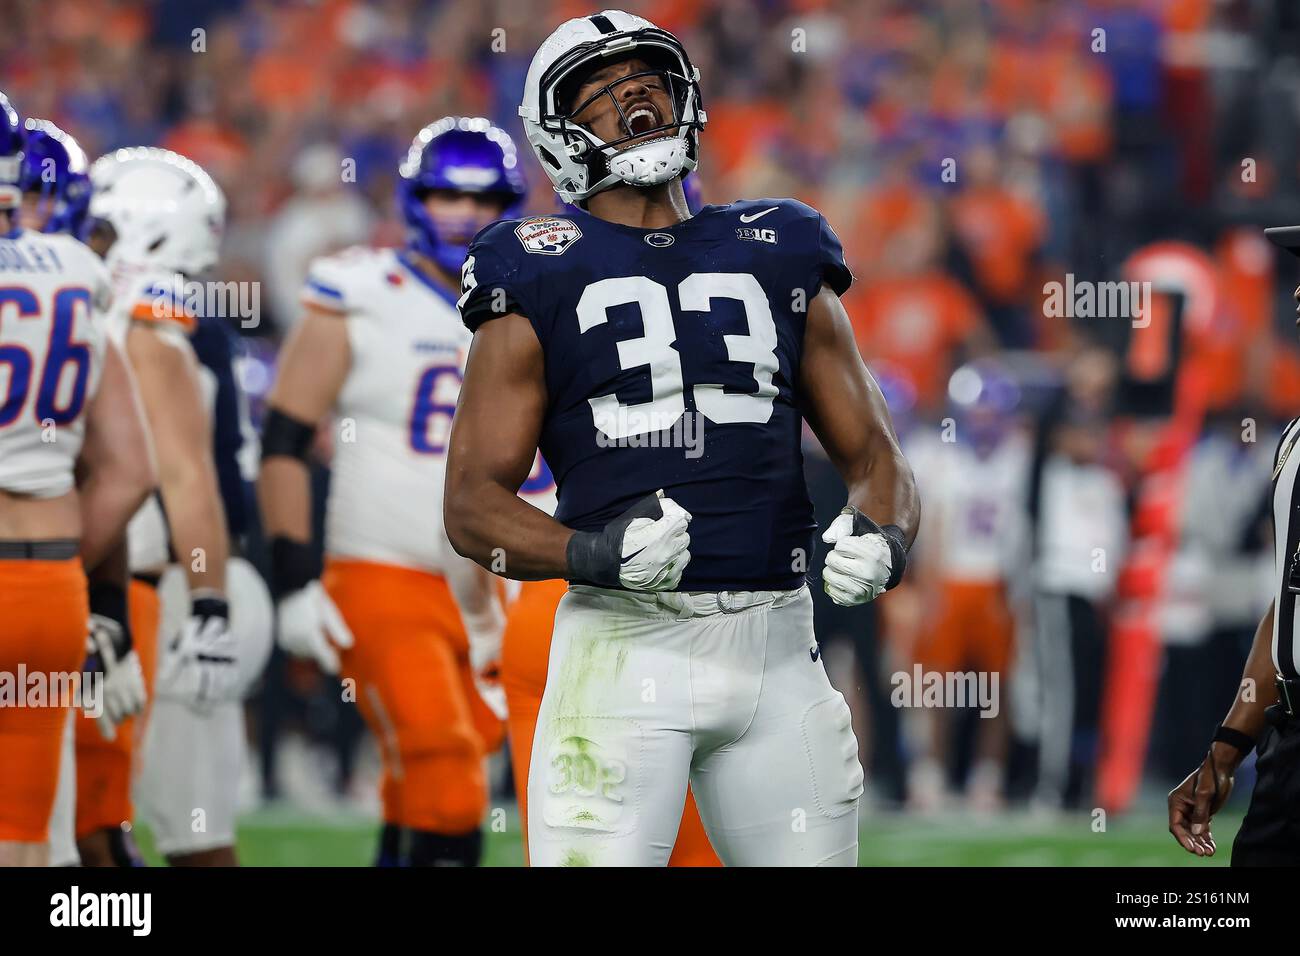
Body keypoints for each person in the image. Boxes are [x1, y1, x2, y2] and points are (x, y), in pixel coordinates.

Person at [447, 10, 919, 866]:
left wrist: (883, 535)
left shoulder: (779, 243)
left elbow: (877, 454)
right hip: (624, 648)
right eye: (599, 90)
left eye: (650, 79)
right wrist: (592, 553)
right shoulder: (536, 260)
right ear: (556, 133)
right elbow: (471, 506)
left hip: (780, 651)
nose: (634, 97)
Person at [258, 118, 519, 866]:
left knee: (445, 767)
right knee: (444, 766)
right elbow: (282, 440)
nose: (464, 215)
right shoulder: (359, 287)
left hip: (490, 582)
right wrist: (293, 580)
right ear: (414, 198)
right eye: (446, 195)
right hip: (380, 565)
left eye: (483, 200)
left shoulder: (532, 300)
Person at [86, 147, 270, 866]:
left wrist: (208, 607)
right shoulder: (182, 319)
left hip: (168, 581)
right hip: (181, 575)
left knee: (134, 824)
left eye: (97, 229)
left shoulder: (150, 324)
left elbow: (188, 478)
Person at [0, 92, 154, 866]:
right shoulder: (73, 271)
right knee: (26, 842)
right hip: (48, 592)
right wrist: (64, 564)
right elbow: (130, 471)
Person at [1167, 224, 1300, 864]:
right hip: (1291, 743)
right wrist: (1225, 750)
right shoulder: (1295, 437)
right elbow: (1289, 607)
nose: (1297, 294)